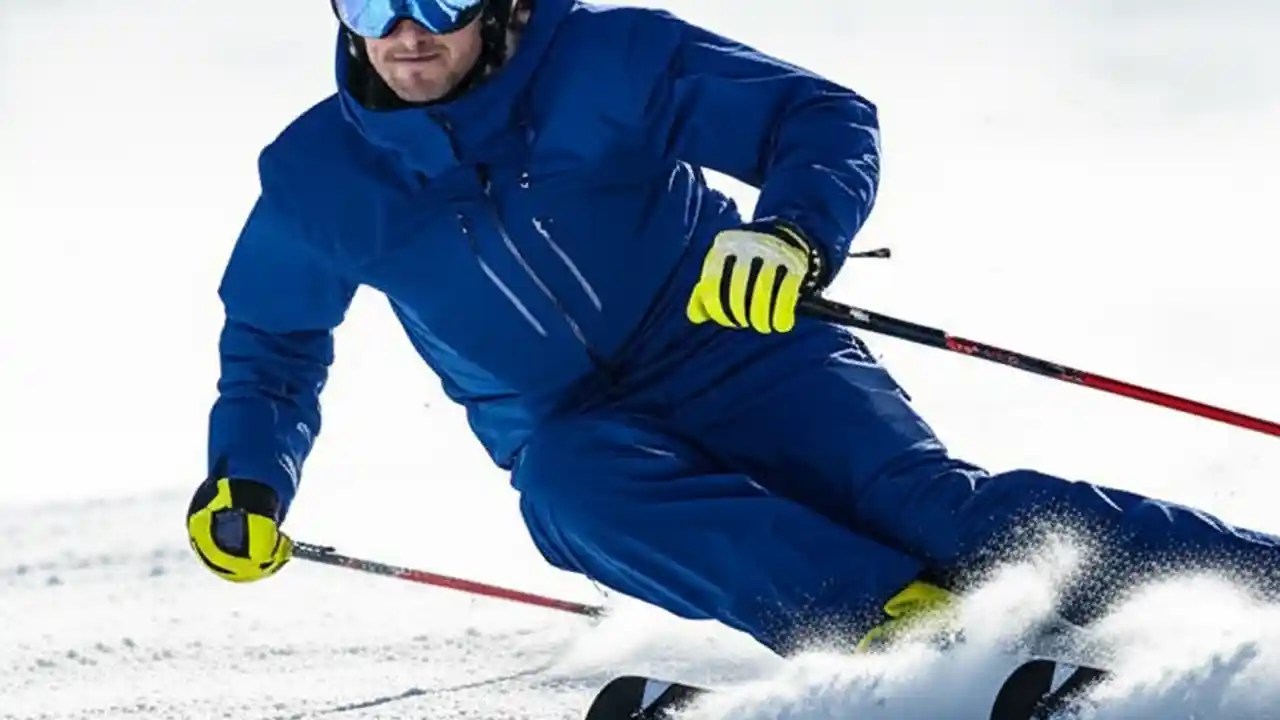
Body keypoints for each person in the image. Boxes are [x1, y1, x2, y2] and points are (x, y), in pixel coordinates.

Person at [186, 0, 1280, 655]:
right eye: (370, 1)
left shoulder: (609, 59)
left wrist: (791, 235)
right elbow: (273, 344)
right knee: (571, 485)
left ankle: (1254, 581)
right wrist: (247, 478)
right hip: (575, 431)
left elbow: (816, 117)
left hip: (738, 339)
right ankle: (894, 627)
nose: (404, 31)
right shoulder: (315, 179)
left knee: (929, 511)